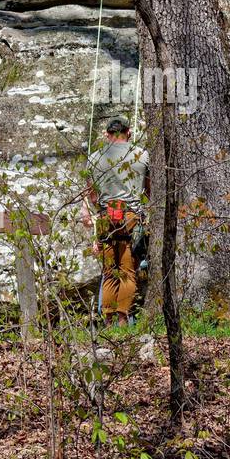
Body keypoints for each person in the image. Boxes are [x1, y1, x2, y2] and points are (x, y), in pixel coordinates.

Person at [82, 116, 150, 326]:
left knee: (109, 272)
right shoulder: (141, 155)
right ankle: (123, 320)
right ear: (128, 133)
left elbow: (91, 195)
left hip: (105, 216)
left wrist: (96, 207)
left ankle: (108, 322)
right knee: (128, 272)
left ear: (107, 134)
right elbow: (149, 189)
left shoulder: (94, 158)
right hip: (130, 216)